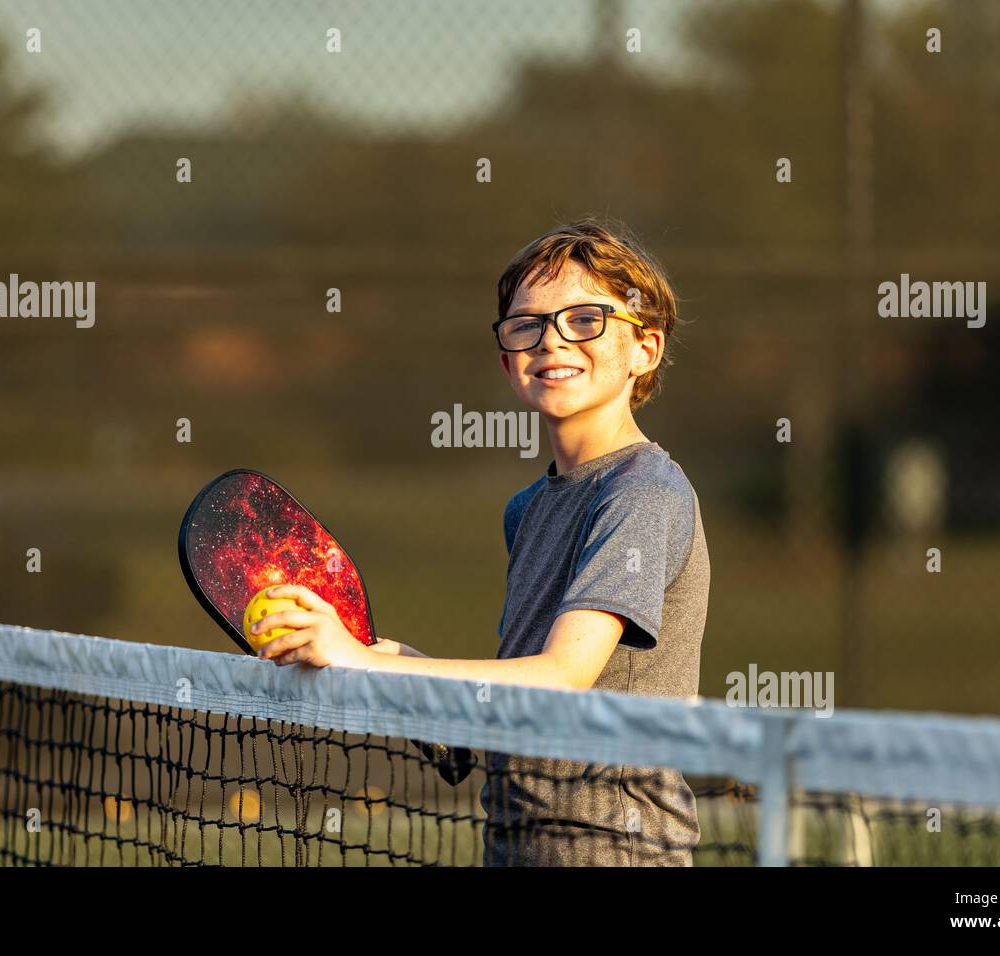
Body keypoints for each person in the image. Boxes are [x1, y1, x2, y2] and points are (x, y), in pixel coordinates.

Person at [255, 216, 710, 865]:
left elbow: (558, 678)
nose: (552, 342)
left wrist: (357, 662)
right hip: (517, 847)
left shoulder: (641, 494)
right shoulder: (527, 509)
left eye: (585, 320)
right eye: (528, 325)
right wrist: (387, 660)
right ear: (507, 360)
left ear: (646, 348)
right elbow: (516, 697)